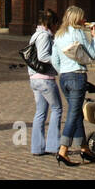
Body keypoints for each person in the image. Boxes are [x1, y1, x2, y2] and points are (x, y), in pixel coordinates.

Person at [50, 6, 95, 166]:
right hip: (77, 77)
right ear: (77, 19)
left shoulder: (59, 34)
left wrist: (63, 71)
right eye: (83, 18)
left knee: (76, 113)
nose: (85, 20)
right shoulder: (78, 33)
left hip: (64, 78)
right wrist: (94, 37)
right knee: (73, 114)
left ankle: (84, 148)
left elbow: (54, 60)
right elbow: (93, 55)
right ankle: (63, 150)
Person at [27, 9, 62, 156]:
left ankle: (37, 147)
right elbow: (43, 56)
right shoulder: (44, 36)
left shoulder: (36, 35)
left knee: (40, 112)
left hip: (34, 78)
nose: (57, 27)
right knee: (57, 109)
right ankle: (53, 146)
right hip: (44, 79)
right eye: (56, 24)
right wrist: (58, 61)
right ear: (51, 23)